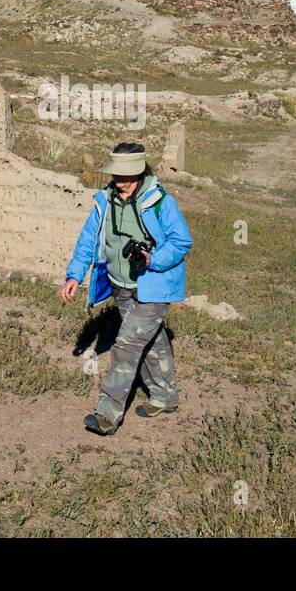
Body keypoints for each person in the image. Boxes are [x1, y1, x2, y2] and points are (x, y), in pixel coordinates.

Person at [61, 141, 193, 436]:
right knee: (153, 341)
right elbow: (89, 240)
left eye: (125, 174)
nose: (119, 180)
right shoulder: (104, 200)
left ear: (139, 172)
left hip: (154, 286)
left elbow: (182, 241)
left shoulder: (159, 201)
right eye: (115, 174)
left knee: (126, 345)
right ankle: (164, 396)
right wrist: (74, 275)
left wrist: (153, 259)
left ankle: (107, 414)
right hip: (121, 286)